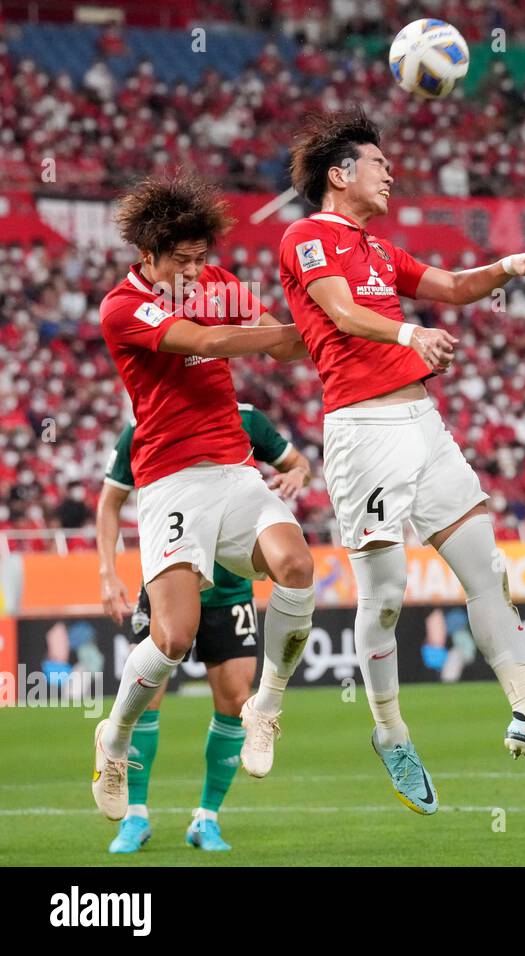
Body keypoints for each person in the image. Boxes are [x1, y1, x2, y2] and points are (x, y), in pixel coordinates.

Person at [271, 107, 525, 816]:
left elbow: (450, 286)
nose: (390, 172)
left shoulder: (381, 250)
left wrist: (512, 264)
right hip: (364, 431)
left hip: (425, 424)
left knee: (490, 571)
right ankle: (390, 732)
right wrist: (407, 331)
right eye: (378, 163)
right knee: (386, 596)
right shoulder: (305, 238)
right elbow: (336, 311)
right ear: (341, 174)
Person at [92, 173, 317, 822]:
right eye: (181, 261)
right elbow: (212, 342)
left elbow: (281, 340)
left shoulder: (217, 284)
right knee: (173, 638)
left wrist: (321, 322)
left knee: (299, 566)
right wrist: (278, 336)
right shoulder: (122, 307)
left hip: (234, 469)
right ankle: (113, 735)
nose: (194, 271)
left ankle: (266, 707)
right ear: (147, 258)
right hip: (169, 479)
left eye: (201, 258)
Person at [97, 404, 312, 851]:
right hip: (169, 581)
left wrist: (297, 474)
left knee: (236, 701)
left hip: (230, 591)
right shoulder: (143, 426)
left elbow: (296, 462)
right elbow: (111, 500)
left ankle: (206, 818)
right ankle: (134, 816)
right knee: (148, 695)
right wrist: (106, 570)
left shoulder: (247, 418)